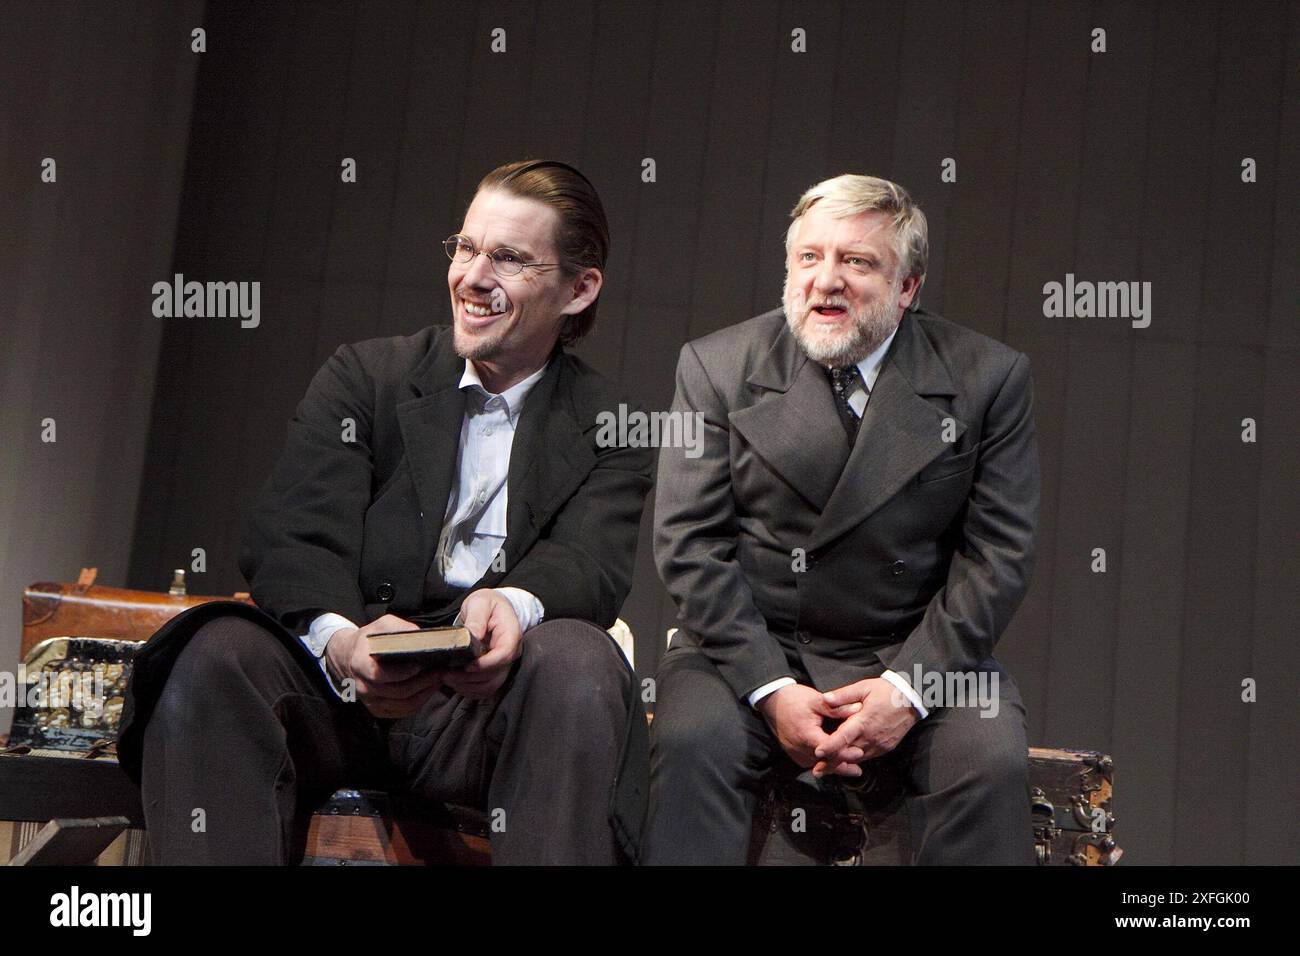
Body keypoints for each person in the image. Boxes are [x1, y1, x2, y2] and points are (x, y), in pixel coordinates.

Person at [116, 159, 654, 865]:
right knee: (216, 652)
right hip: (342, 707)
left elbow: (588, 562)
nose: (473, 276)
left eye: (510, 258)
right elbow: (293, 538)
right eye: (465, 247)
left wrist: (515, 606)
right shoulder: (365, 377)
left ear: (579, 289)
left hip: (486, 722)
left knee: (579, 659)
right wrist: (344, 645)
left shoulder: (612, 421)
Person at [645, 173, 1041, 865]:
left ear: (908, 288)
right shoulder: (715, 367)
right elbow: (690, 546)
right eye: (809, 258)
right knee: (690, 741)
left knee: (989, 758)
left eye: (856, 262)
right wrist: (771, 689)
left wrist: (907, 688)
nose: (826, 281)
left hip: (912, 649)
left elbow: (998, 558)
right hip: (751, 645)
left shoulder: (989, 378)